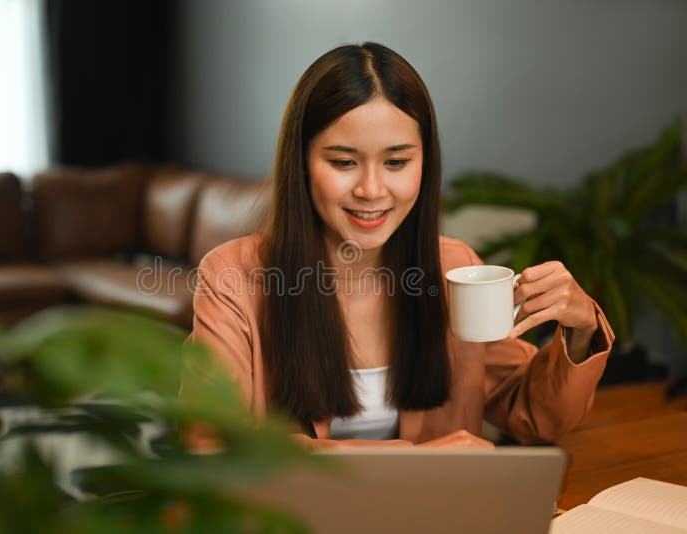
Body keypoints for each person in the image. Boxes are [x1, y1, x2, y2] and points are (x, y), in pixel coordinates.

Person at [186, 42, 614, 449]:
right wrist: (416, 460)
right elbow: (213, 447)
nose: (372, 190)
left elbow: (536, 416)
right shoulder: (234, 278)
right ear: (301, 162)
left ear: (425, 162)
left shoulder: (455, 268)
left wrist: (581, 334)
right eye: (343, 162)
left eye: (396, 162)